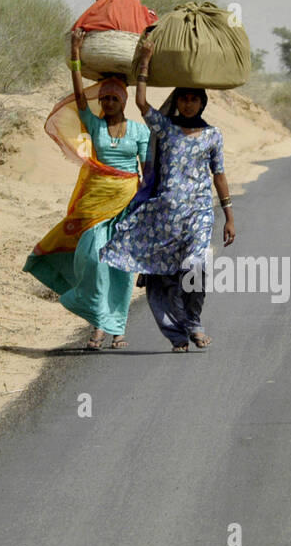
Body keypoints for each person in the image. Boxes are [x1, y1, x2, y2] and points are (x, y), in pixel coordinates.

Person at [99, 40, 235, 351]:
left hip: (199, 214)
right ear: (178, 102)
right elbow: (142, 103)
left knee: (196, 267)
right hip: (163, 217)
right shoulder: (165, 128)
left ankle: (195, 322)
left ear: (202, 103)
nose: (188, 104)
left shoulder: (213, 135)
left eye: (193, 99)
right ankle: (177, 335)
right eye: (184, 99)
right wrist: (145, 62)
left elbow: (219, 174)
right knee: (162, 279)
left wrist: (229, 216)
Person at [24, 30, 150, 349]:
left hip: (127, 202)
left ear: (123, 100)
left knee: (120, 267)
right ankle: (97, 321)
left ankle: (116, 327)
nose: (108, 102)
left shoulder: (138, 131)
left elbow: (147, 171)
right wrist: (75, 56)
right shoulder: (94, 125)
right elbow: (80, 98)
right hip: (95, 203)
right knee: (92, 260)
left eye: (114, 98)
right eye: (104, 98)